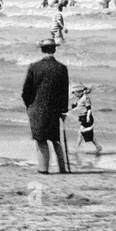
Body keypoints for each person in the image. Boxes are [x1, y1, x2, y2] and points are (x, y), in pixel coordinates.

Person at [21, 38, 70, 173]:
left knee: (41, 140)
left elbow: (26, 91)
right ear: (54, 49)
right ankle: (62, 168)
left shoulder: (34, 67)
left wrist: (29, 106)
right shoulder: (62, 68)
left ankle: (43, 169)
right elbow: (64, 92)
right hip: (54, 109)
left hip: (36, 109)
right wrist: (63, 111)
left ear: (42, 50)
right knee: (55, 139)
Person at [70, 83, 102, 155]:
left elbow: (89, 109)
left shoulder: (86, 98)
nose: (74, 95)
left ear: (79, 92)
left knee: (81, 133)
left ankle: (76, 149)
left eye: (75, 93)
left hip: (87, 118)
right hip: (82, 118)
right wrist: (73, 106)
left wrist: (88, 117)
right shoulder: (79, 98)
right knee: (87, 134)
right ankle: (98, 146)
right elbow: (76, 107)